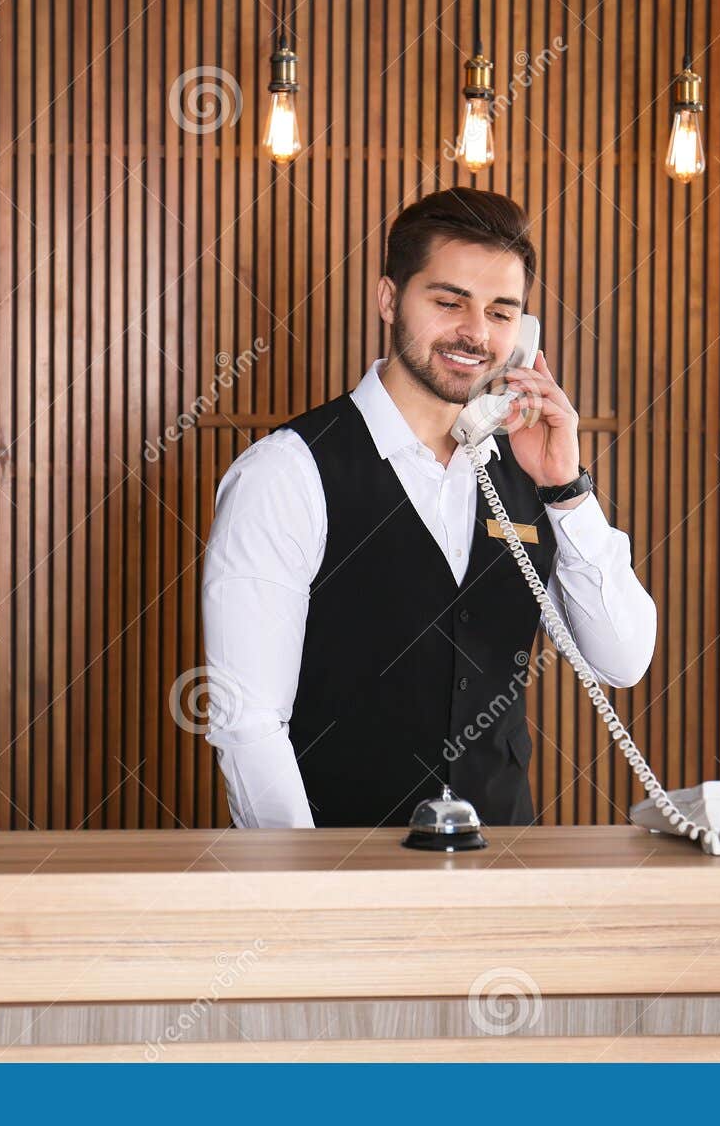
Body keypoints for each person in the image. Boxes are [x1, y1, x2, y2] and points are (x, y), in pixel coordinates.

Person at [200, 187, 656, 828]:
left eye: (502, 312)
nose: (476, 333)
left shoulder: (528, 473)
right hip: (343, 885)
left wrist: (566, 490)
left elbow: (623, 658)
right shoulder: (287, 472)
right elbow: (247, 720)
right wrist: (306, 892)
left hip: (502, 874)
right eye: (448, 302)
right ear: (390, 299)